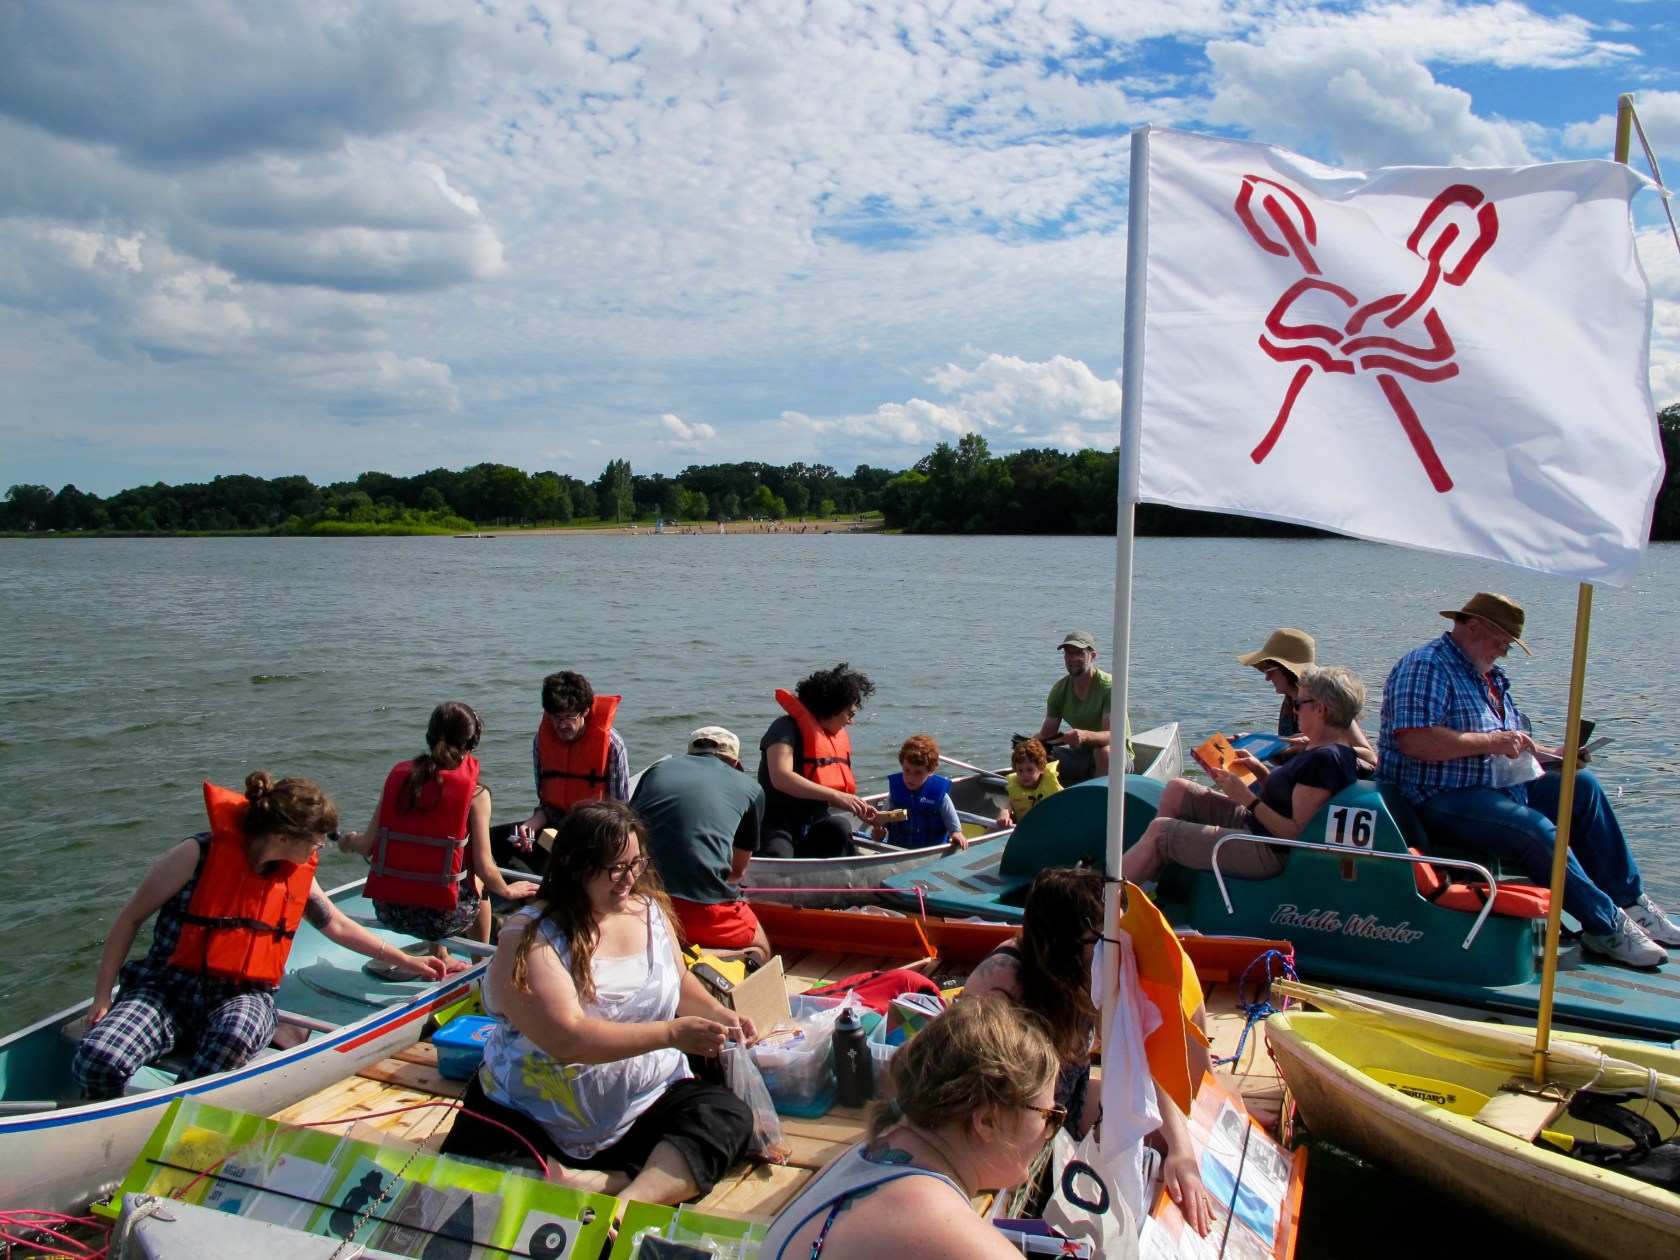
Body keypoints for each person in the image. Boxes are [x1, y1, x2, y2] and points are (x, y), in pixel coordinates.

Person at [439, 800, 755, 1204]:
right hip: (532, 1114)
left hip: (644, 1101)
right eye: (615, 868)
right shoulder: (530, 936)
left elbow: (678, 983)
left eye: (636, 864)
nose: (628, 879)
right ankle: (618, 1181)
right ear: (574, 865)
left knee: (727, 1117)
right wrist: (672, 1034)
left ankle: (622, 1196)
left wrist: (720, 1015)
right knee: (493, 1185)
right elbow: (567, 1039)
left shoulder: (650, 910)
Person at [71, 773, 457, 1099]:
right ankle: (106, 1120)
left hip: (241, 995)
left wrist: (407, 960)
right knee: (97, 1058)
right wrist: (103, 996)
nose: (318, 849)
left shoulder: (295, 872)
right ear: (287, 837)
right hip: (167, 989)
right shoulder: (196, 854)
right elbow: (129, 919)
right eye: (316, 840)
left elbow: (337, 925)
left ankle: (173, 1116)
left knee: (238, 1034)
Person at [1378, 592, 1680, 967]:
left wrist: (1555, 757)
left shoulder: (1488, 676)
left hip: (1494, 786)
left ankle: (1631, 904)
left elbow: (1513, 744)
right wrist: (1495, 742)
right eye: (1502, 640)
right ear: (1473, 627)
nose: (1505, 651)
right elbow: (1415, 741)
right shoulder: (1426, 666)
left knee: (1581, 788)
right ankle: (1606, 927)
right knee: (1534, 831)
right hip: (1433, 796)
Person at [962, 867, 1215, 1236]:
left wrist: (1182, 1151)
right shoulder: (1000, 987)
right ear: (1060, 943)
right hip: (1014, 1120)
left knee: (1176, 1140)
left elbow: (1150, 1050)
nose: (1112, 943)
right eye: (1098, 936)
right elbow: (978, 1103)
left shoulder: (1101, 964)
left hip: (1069, 1100)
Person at [758, 1000, 1067, 1260]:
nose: (1049, 1132)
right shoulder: (949, 1231)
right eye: (1050, 1115)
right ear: (987, 1121)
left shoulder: (871, 1153)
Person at [1122, 666, 1367, 886]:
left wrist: (1246, 798)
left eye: (1299, 704)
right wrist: (1258, 770)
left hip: (1269, 850)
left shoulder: (1325, 759)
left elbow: (1295, 836)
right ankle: (1149, 882)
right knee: (1177, 790)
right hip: (1259, 826)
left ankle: (1102, 907)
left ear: (1321, 709)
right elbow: (1288, 802)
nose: (1295, 711)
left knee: (1160, 832)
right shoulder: (1320, 749)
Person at [338, 702, 540, 962]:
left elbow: (367, 846)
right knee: (477, 883)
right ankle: (480, 966)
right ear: (472, 743)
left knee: (446, 871)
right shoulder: (477, 795)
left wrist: (349, 841)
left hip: (389, 911)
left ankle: (442, 955)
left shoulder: (400, 778)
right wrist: (510, 892)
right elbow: (485, 867)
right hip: (442, 921)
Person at [632, 725, 770, 966]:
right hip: (701, 908)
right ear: (736, 763)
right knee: (761, 947)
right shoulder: (751, 788)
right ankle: (693, 956)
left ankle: (670, 949)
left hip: (640, 900)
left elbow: (627, 829)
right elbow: (737, 873)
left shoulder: (656, 771)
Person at [757, 663, 878, 858]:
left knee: (840, 826)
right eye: (850, 713)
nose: (850, 721)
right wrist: (837, 796)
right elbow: (780, 777)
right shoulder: (784, 728)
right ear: (833, 707)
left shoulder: (831, 738)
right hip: (778, 823)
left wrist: (858, 807)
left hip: (814, 822)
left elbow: (829, 791)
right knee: (777, 855)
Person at [1237, 627, 1377, 769]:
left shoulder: (1325, 703)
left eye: (1269, 669)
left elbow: (1370, 758)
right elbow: (1287, 760)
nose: (1267, 677)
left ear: (1287, 670)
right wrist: (1252, 743)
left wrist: (1318, 746)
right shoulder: (1290, 702)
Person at [517, 670, 629, 844]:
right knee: (498, 840)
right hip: (556, 830)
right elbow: (546, 806)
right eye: (555, 718)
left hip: (596, 833)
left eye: (569, 718)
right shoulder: (540, 741)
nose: (561, 726)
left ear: (584, 711)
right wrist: (531, 826)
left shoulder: (613, 746)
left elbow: (620, 812)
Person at [1034, 631, 1134, 785]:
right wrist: (1024, 747)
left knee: (1103, 752)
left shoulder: (1109, 687)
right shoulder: (1059, 690)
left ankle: (1098, 802)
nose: (1073, 659)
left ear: (1092, 656)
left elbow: (1115, 736)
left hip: (1117, 758)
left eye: (1079, 653)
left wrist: (1085, 736)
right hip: (1081, 756)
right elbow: (1047, 734)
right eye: (1069, 654)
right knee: (1037, 753)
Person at [871, 734, 967, 851]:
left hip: (930, 855)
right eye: (907, 770)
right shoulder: (894, 795)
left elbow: (956, 831)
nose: (911, 778)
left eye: (918, 773)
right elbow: (880, 829)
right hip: (897, 851)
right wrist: (878, 835)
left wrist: (956, 835)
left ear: (931, 771)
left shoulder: (941, 798)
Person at [995, 737, 1061, 828]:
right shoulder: (1016, 789)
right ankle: (982, 840)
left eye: (1030, 770)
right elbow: (1006, 808)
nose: (1025, 775)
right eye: (1020, 770)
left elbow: (1068, 799)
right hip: (1026, 829)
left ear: (1041, 768)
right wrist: (1004, 817)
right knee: (997, 824)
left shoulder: (1053, 786)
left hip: (1050, 826)